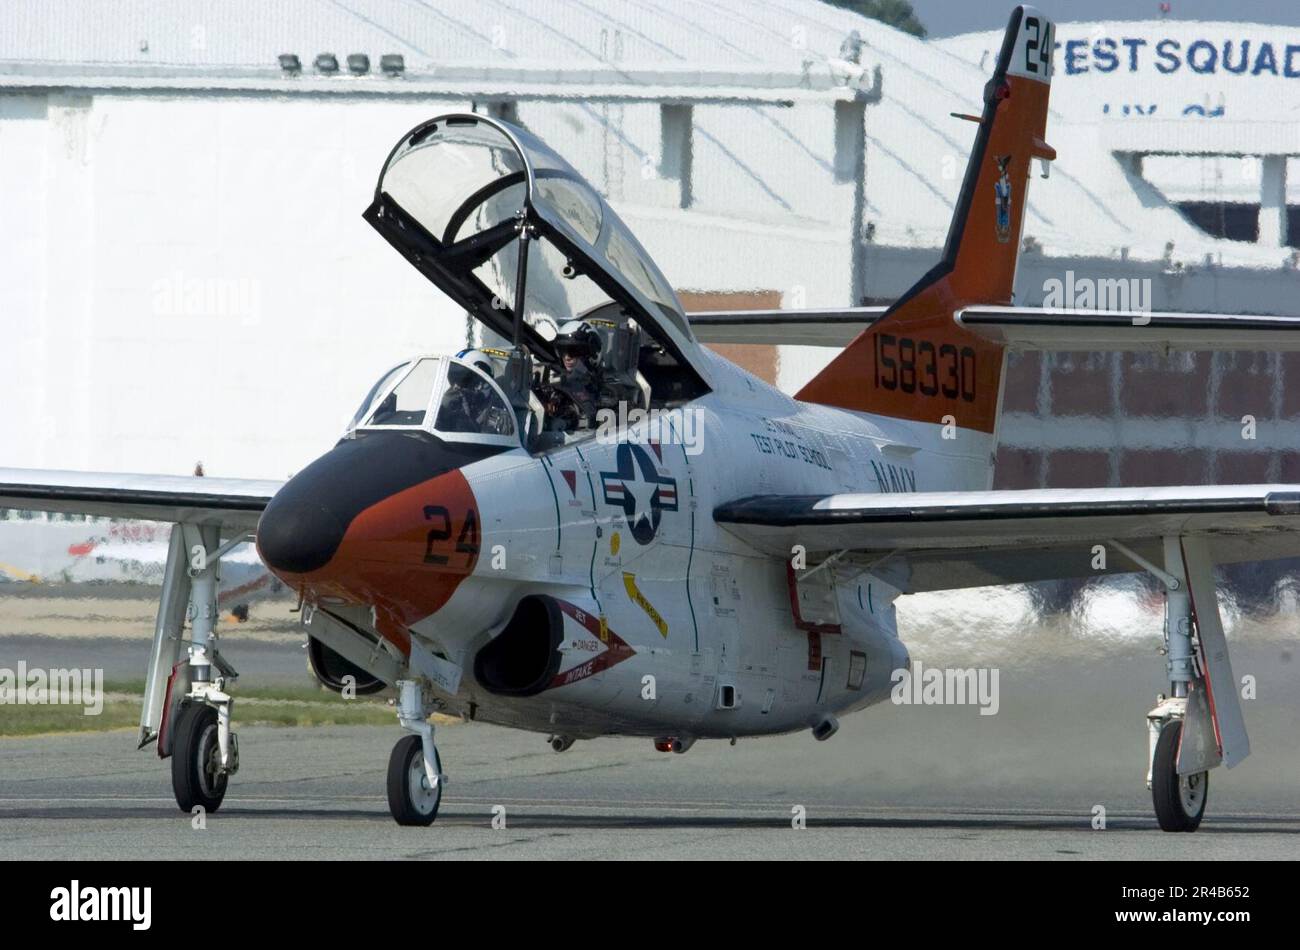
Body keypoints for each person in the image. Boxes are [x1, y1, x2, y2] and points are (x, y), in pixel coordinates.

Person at [543, 320, 604, 431]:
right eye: (562, 351)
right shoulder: (554, 382)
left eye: (573, 351)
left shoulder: (603, 388)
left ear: (591, 352)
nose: (567, 357)